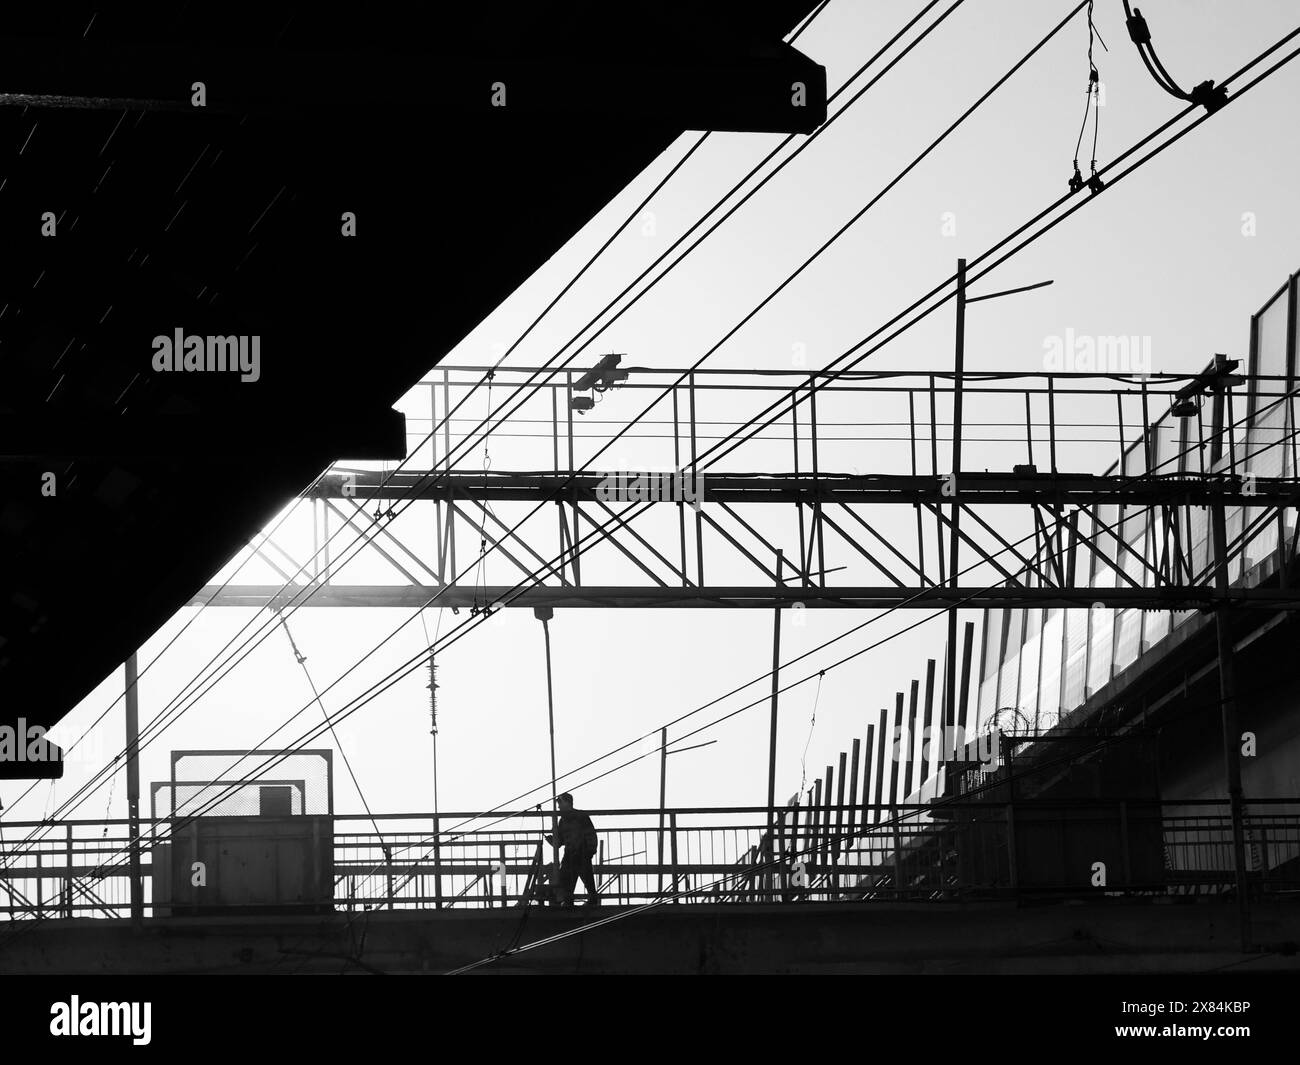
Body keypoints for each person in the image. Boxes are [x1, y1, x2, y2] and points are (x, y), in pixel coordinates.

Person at [545, 792, 600, 908]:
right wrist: (551, 839)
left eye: (560, 803)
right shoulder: (565, 820)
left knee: (584, 877)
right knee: (569, 878)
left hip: (581, 851)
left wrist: (590, 850)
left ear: (567, 803)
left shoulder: (579, 817)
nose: (559, 807)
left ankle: (586, 899)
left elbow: (590, 834)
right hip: (572, 852)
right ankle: (571, 900)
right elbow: (559, 842)